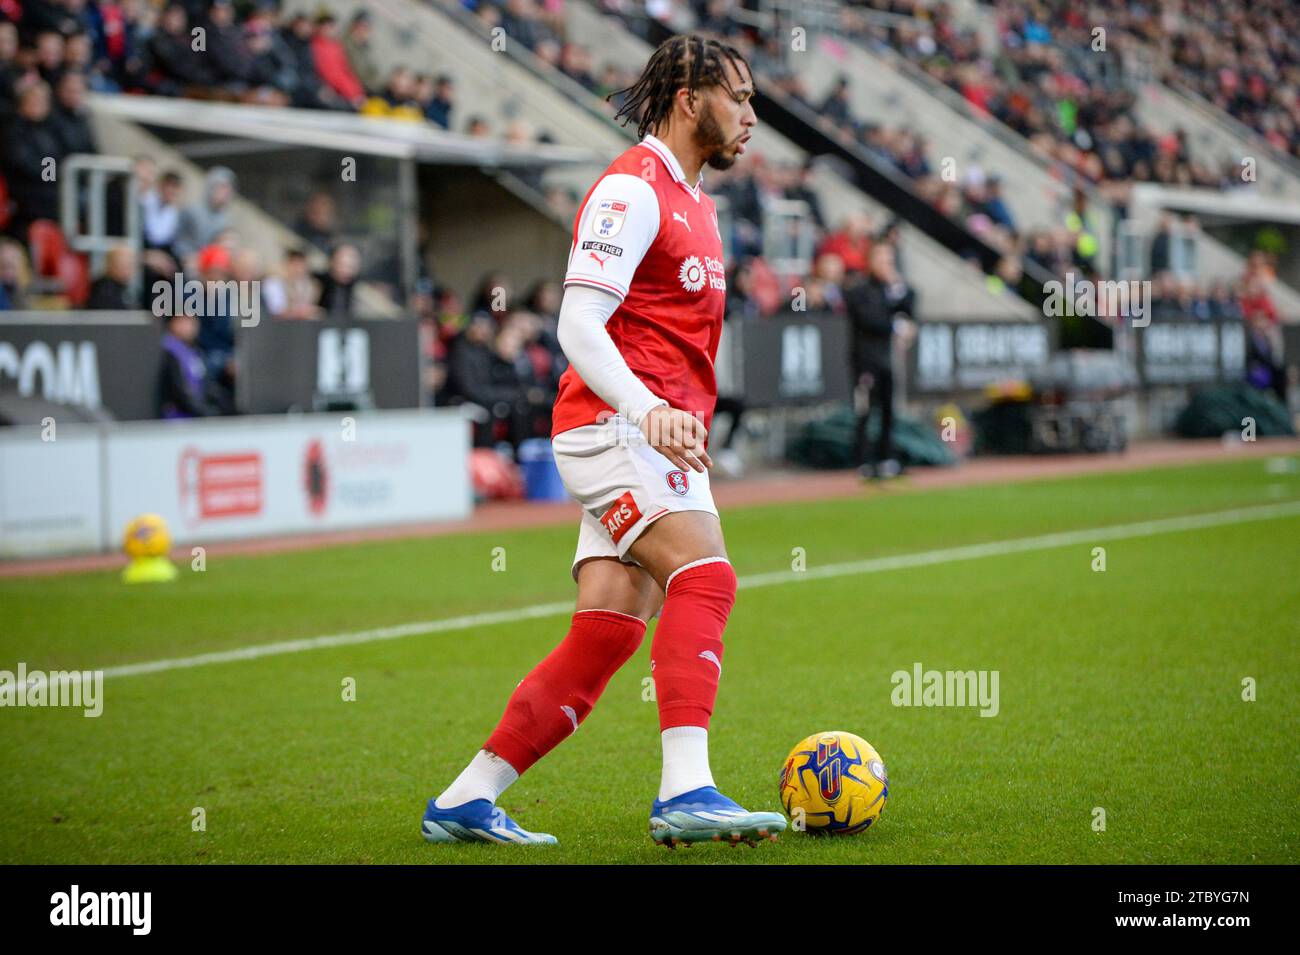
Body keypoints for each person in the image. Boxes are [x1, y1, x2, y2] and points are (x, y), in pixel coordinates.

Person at [422, 34, 786, 849]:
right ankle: (686, 787)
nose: (751, 115)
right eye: (739, 97)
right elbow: (577, 321)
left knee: (608, 630)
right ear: (690, 98)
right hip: (617, 426)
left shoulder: (697, 201)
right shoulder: (633, 189)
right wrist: (645, 406)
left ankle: (467, 796)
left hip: (659, 437)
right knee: (706, 576)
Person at [843, 243, 915, 480]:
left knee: (887, 410)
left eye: (890, 261)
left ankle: (886, 459)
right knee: (865, 411)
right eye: (882, 261)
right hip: (865, 361)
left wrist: (898, 288)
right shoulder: (859, 290)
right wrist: (895, 325)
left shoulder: (891, 290)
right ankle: (863, 461)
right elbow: (869, 319)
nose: (887, 266)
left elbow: (909, 305)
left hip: (885, 359)